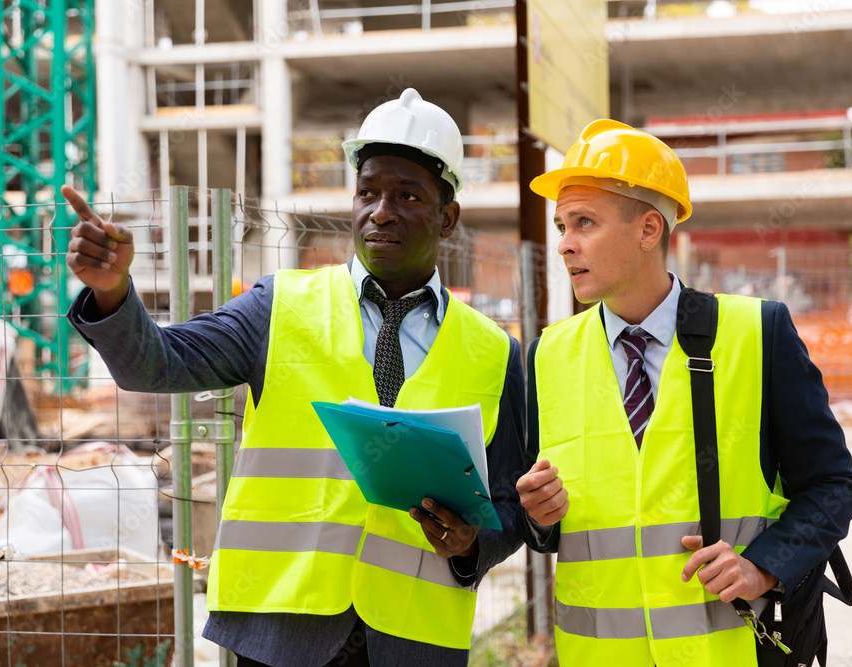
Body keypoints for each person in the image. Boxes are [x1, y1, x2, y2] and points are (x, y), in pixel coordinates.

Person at [62, 88, 526, 667]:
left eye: (407, 195)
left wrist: (471, 544)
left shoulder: (496, 352)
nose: (381, 211)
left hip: (415, 640)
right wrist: (112, 291)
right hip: (283, 631)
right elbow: (155, 362)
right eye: (368, 192)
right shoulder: (279, 306)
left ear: (447, 217)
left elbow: (512, 502)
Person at [515, 119, 852, 666]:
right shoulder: (543, 356)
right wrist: (537, 516)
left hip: (730, 653)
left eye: (584, 222)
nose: (564, 245)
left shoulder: (757, 333)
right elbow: (540, 527)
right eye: (561, 225)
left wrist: (763, 566)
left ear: (649, 229)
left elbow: (833, 484)